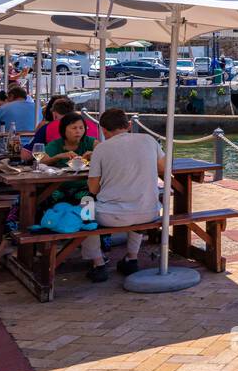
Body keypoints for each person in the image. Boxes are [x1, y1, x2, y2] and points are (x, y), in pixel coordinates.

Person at [82, 107, 164, 282]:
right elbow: (163, 169)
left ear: (103, 130)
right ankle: (132, 257)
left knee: (85, 204)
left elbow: (93, 189)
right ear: (129, 125)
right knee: (138, 199)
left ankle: (98, 262)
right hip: (150, 212)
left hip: (112, 216)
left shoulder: (101, 149)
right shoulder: (149, 140)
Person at [39, 112, 96, 204]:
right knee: (47, 197)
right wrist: (58, 157)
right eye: (74, 128)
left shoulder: (91, 142)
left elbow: (106, 157)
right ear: (63, 130)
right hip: (59, 186)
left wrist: (94, 156)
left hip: (84, 186)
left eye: (81, 128)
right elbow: (41, 161)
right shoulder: (55, 144)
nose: (78, 131)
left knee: (88, 196)